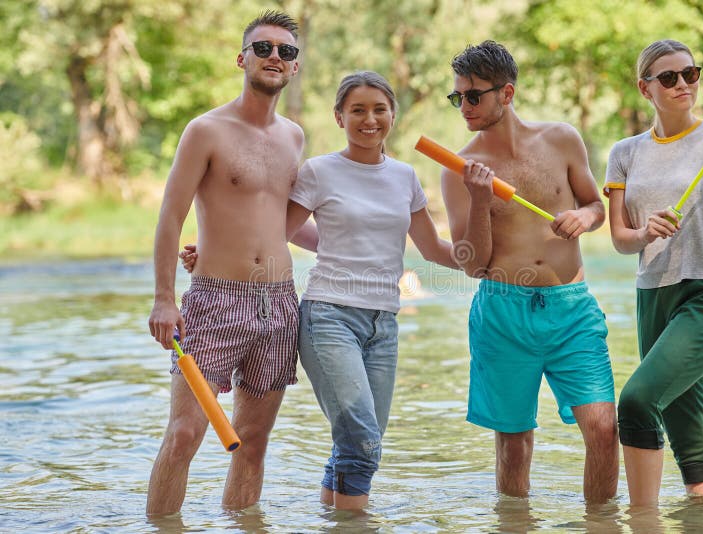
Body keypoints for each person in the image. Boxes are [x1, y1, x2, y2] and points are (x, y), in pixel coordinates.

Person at [183, 71, 458, 510]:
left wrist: (489, 258)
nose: (369, 119)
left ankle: (333, 518)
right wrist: (217, 251)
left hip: (383, 322)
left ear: (393, 114)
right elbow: (277, 231)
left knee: (358, 440)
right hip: (328, 315)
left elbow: (433, 248)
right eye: (357, 110)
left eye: (379, 109)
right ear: (339, 117)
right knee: (363, 437)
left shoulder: (405, 177)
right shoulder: (319, 171)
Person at [146, 10, 314, 516]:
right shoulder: (206, 130)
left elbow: (284, 221)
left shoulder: (294, 137)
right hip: (215, 300)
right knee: (184, 435)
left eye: (285, 51)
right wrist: (163, 299)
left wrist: (355, 248)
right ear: (242, 59)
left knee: (253, 442)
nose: (274, 58)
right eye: (263, 48)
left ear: (295, 68)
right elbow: (170, 217)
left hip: (279, 304)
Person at [440, 40, 618, 503]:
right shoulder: (458, 168)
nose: (465, 106)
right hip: (502, 312)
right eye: (458, 97)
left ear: (508, 93)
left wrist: (585, 218)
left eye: (474, 96)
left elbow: (595, 205)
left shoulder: (561, 139)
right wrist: (480, 201)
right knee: (514, 447)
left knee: (603, 430)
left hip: (571, 309)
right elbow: (474, 264)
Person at [604, 39, 703, 506]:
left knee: (636, 402)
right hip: (654, 298)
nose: (682, 84)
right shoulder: (625, 152)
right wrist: (645, 231)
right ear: (645, 88)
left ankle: (642, 520)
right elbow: (619, 239)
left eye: (691, 73)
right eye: (668, 77)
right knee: (690, 439)